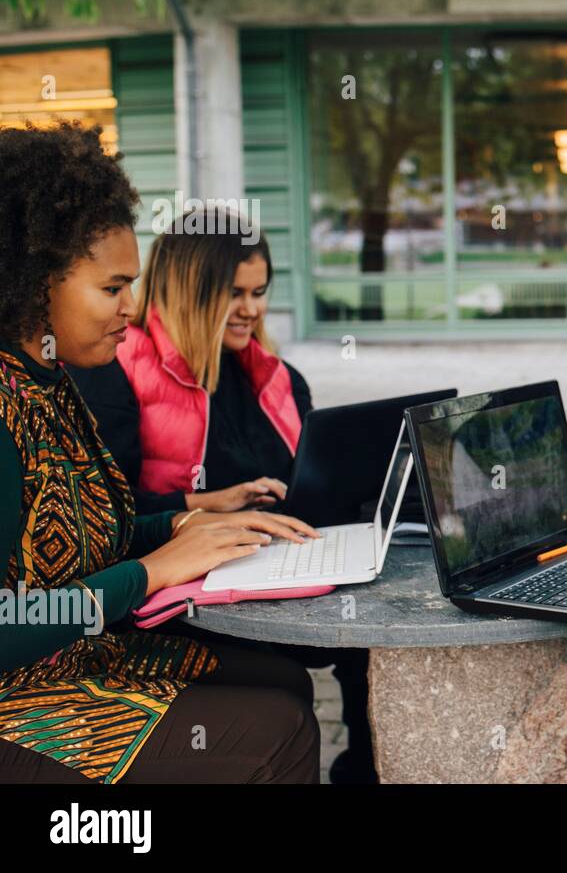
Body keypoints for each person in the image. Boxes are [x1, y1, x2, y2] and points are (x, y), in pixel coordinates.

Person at [0, 122, 320, 783]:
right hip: (18, 699)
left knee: (286, 680)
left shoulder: (52, 382)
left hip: (75, 656)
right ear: (37, 284)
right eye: (112, 288)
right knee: (276, 732)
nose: (131, 307)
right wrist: (151, 571)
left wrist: (187, 525)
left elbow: (94, 535)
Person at [69, 210, 375, 784]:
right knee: (282, 684)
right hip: (184, 586)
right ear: (190, 289)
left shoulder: (275, 374)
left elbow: (311, 475)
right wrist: (199, 505)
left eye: (260, 292)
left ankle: (365, 772)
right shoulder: (115, 369)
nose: (251, 309)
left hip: (271, 557)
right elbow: (100, 519)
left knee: (372, 636)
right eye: (233, 293)